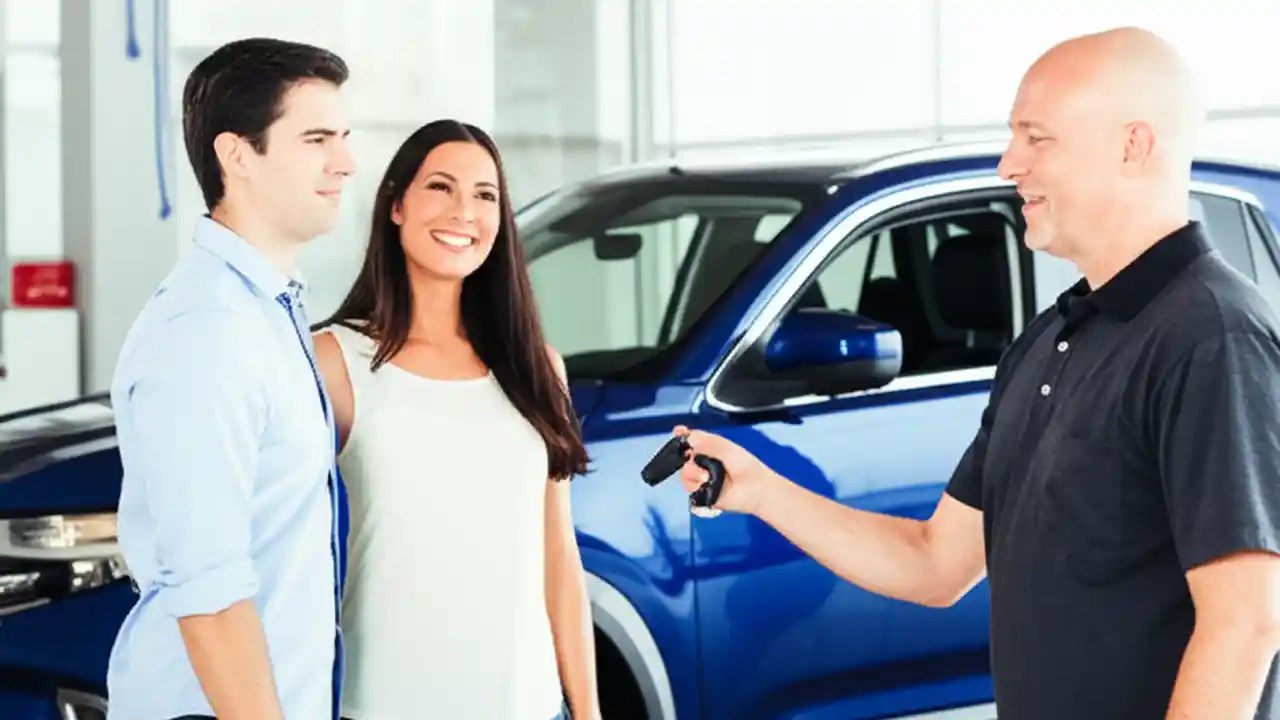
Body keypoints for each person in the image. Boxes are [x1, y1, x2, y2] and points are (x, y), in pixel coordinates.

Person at [674, 27, 1280, 720]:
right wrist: (761, 492)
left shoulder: (1212, 336)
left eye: (1036, 137)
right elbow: (934, 563)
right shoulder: (1049, 342)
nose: (1008, 164)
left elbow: (1246, 621)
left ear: (1132, 146)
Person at [311, 119, 599, 720]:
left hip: (528, 707)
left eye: (485, 194)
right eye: (441, 187)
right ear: (396, 204)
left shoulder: (538, 368)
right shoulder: (334, 361)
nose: (464, 211)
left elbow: (559, 561)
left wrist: (589, 712)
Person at [106, 38, 355, 720]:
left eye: (343, 137)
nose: (346, 162)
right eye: (316, 139)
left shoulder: (267, 310)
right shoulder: (208, 329)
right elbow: (207, 589)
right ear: (237, 155)